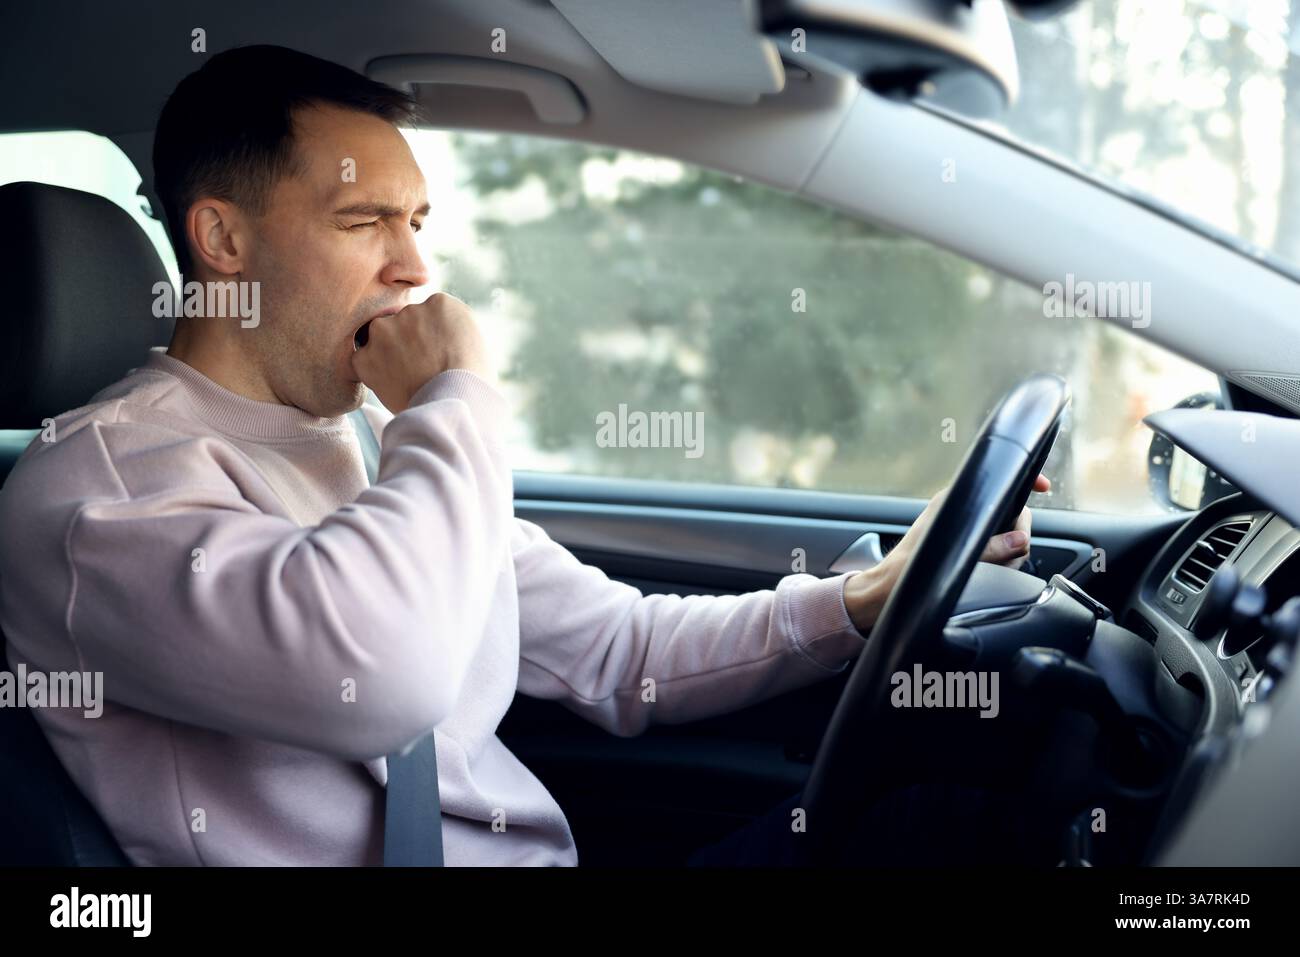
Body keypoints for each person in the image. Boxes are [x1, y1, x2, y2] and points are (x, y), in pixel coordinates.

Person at [0, 45, 1041, 866]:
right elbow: (385, 676)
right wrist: (452, 401)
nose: (413, 266)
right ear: (223, 242)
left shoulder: (362, 434)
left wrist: (866, 597)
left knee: (956, 815)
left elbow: (618, 651)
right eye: (364, 221)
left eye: (416, 220)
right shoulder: (99, 494)